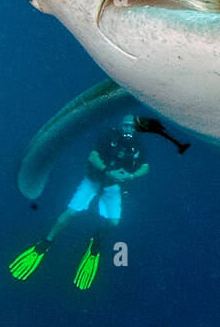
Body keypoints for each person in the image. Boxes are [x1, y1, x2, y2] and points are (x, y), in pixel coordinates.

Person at [9, 114, 150, 290]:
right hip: (93, 180)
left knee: (114, 222)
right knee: (71, 212)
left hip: (113, 186)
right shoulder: (109, 136)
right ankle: (46, 241)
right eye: (126, 125)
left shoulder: (137, 144)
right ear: (121, 125)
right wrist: (107, 170)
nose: (128, 129)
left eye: (132, 126)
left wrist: (131, 175)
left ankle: (96, 242)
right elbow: (93, 156)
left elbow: (145, 166)